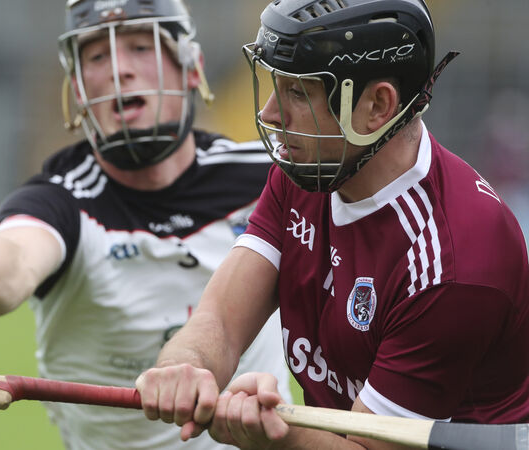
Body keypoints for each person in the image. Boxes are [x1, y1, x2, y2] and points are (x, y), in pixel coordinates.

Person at [0, 0, 291, 448]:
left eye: (141, 47)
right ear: (79, 90)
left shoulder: (271, 176)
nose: (120, 69)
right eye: (97, 56)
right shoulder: (61, 199)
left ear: (192, 68)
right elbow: (16, 253)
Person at [135, 0, 529, 448]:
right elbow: (221, 321)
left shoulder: (453, 264)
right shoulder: (316, 167)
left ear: (378, 105)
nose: (269, 114)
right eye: (274, 86)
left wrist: (279, 435)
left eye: (298, 93)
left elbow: (365, 446)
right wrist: (186, 366)